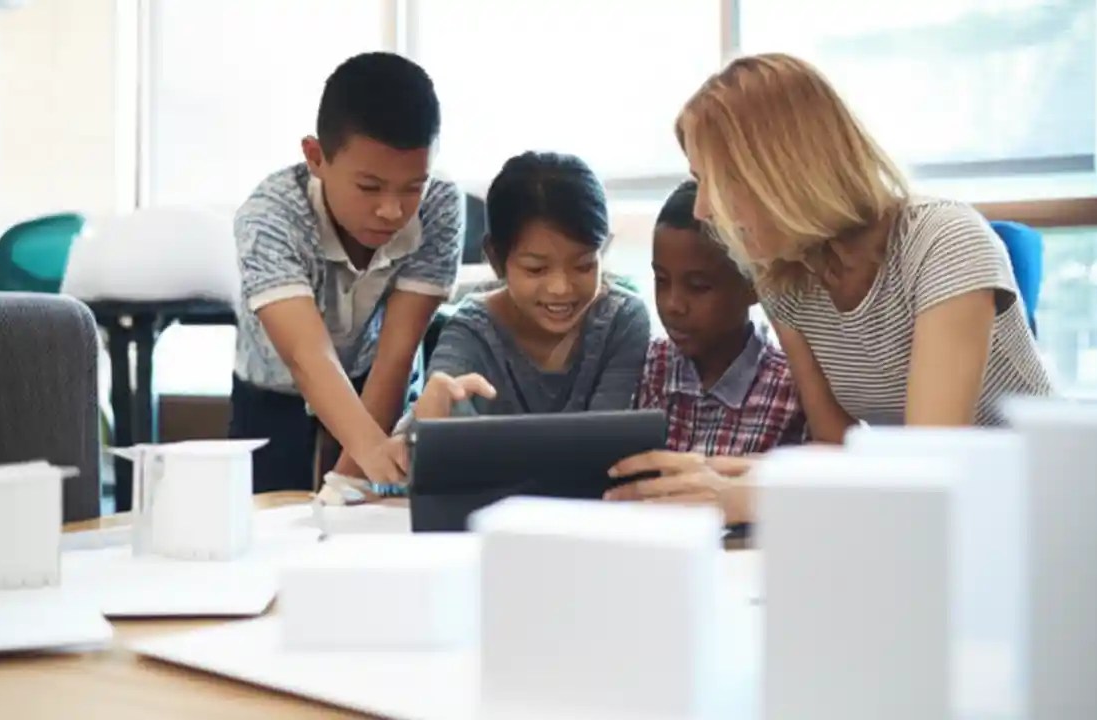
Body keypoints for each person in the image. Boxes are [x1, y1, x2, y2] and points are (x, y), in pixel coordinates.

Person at [609, 53, 1053, 522]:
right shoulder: (782, 275)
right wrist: (718, 471)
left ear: (780, 172)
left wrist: (740, 497)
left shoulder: (944, 241)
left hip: (1030, 515)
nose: (701, 209)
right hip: (924, 524)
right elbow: (836, 446)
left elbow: (930, 470)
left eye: (715, 182)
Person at [229, 52, 464, 493]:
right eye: (369, 187)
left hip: (376, 376)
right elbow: (306, 356)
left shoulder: (439, 205)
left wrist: (351, 478)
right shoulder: (269, 218)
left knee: (368, 514)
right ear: (315, 157)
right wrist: (366, 458)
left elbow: (398, 352)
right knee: (269, 522)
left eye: (412, 186)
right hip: (273, 388)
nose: (391, 210)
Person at [407, 151, 651, 423]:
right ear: (497, 259)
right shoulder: (472, 332)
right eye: (536, 269)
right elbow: (435, 423)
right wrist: (427, 419)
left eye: (583, 266)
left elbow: (605, 442)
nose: (561, 288)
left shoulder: (622, 321)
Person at [636, 180, 807, 455]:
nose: (673, 305)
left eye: (698, 286)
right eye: (662, 280)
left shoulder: (792, 390)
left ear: (754, 286)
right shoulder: (645, 368)